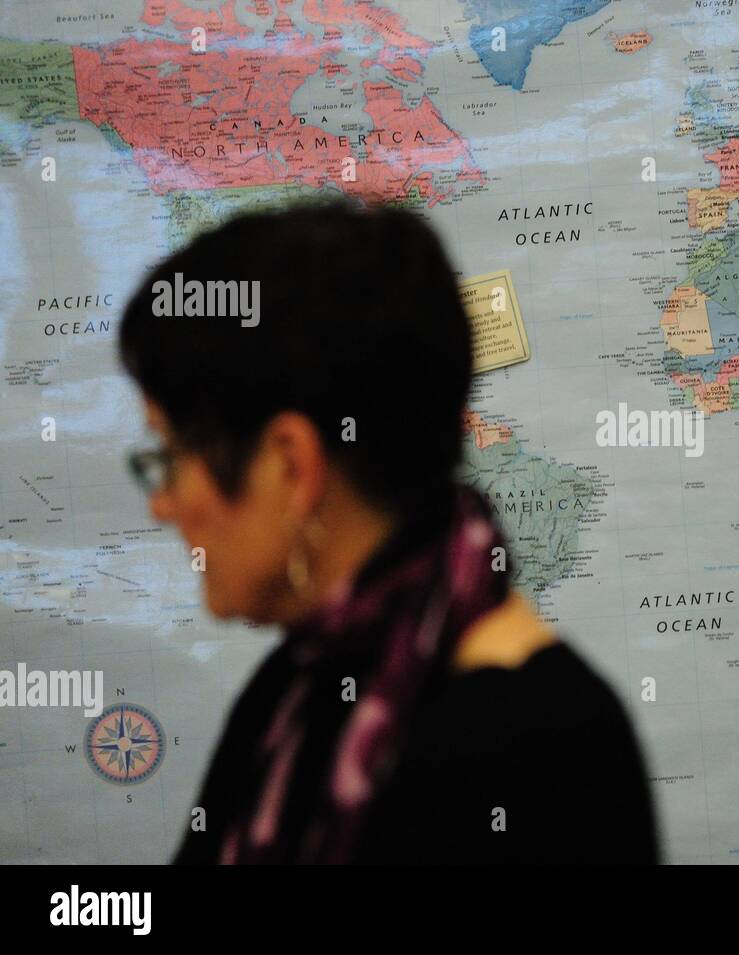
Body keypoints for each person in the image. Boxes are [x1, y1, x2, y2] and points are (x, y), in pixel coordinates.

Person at [118, 199, 660, 864]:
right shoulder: (294, 688)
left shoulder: (546, 742)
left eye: (171, 456)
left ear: (292, 464)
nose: (162, 504)